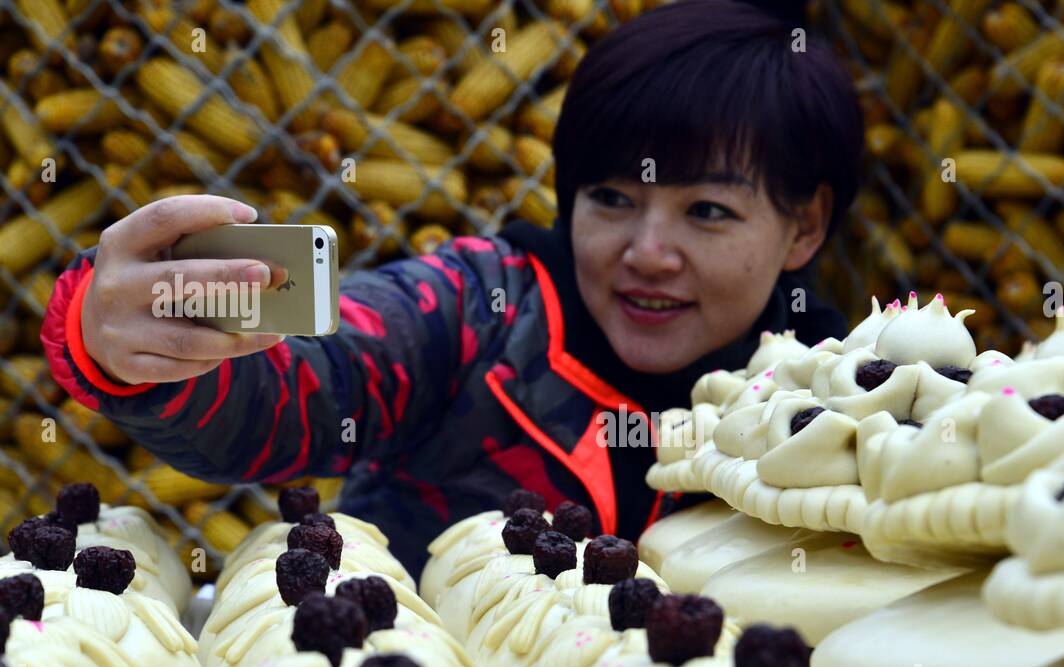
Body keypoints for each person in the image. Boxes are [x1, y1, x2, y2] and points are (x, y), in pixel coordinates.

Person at [41, 0, 865, 577]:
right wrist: (115, 335)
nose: (649, 253)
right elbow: (300, 389)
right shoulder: (477, 311)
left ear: (804, 226)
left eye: (708, 212)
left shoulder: (846, 410)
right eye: (612, 199)